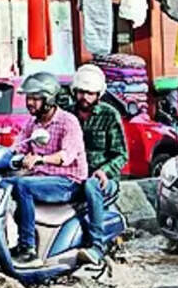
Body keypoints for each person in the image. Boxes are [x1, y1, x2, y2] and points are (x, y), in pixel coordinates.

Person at [8, 72, 89, 267]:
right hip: (42, 180)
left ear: (49, 99)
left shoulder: (68, 122)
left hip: (68, 181)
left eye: (36, 98)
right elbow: (18, 148)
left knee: (22, 186)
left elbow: (66, 156)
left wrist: (40, 159)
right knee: (2, 184)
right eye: (29, 98)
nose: (30, 103)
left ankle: (27, 249)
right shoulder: (32, 124)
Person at [68, 64, 128, 265]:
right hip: (72, 174)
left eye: (90, 93)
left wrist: (104, 171)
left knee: (91, 185)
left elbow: (121, 155)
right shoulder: (67, 116)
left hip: (102, 180)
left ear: (98, 94)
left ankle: (97, 246)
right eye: (81, 92)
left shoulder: (109, 115)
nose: (85, 97)